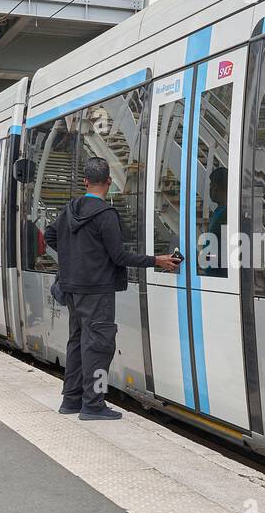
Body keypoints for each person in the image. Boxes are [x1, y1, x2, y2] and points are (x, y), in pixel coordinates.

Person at [46, 157, 181, 419]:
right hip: (97, 291)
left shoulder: (69, 208)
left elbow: (50, 236)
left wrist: (75, 259)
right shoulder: (106, 215)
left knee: (77, 342)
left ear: (85, 181)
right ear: (108, 182)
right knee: (99, 345)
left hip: (72, 288)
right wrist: (157, 261)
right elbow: (119, 257)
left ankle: (71, 400)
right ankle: (93, 405)